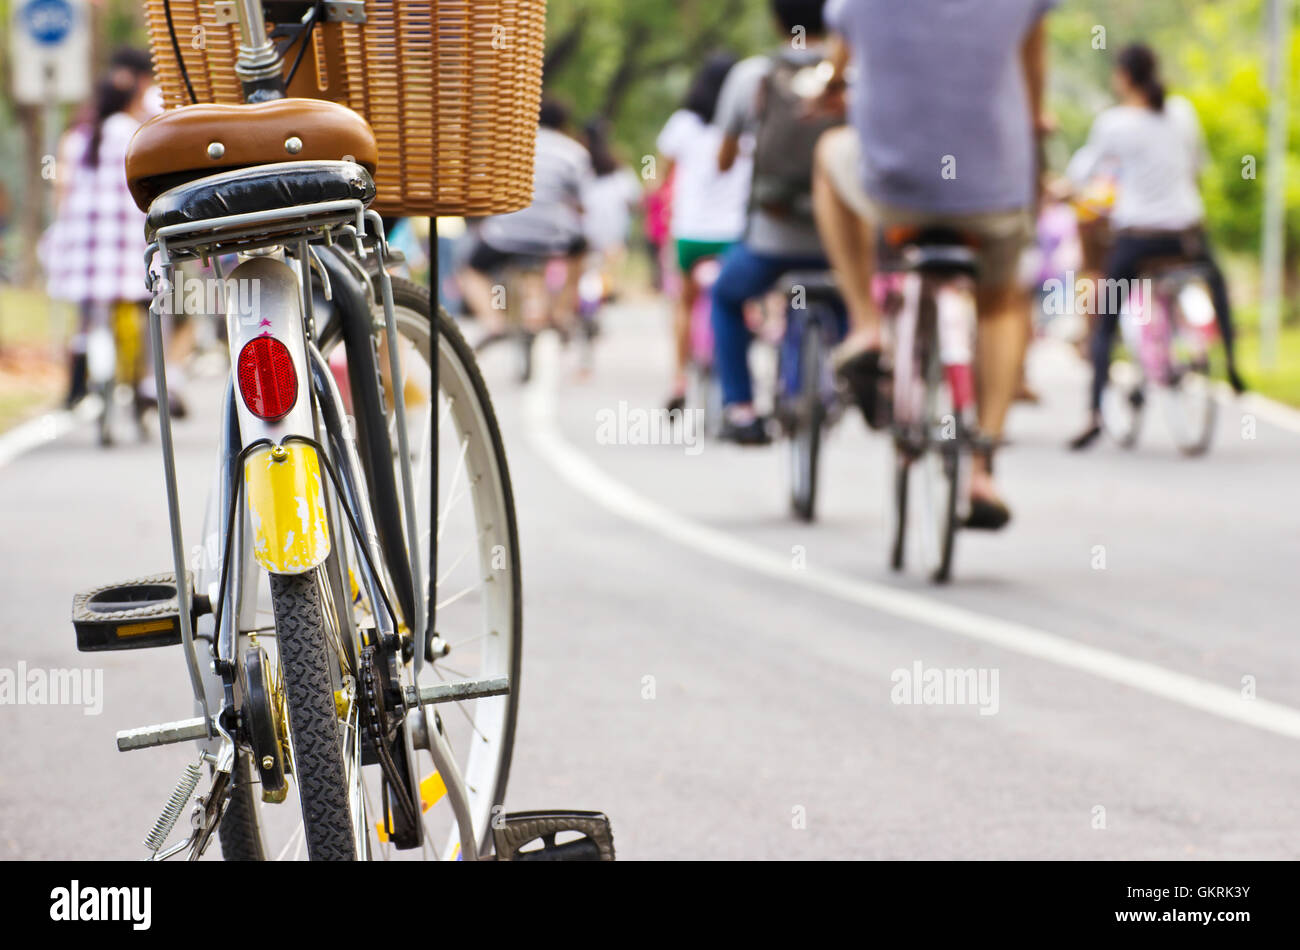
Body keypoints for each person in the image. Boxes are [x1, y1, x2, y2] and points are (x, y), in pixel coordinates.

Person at [812, 0, 1059, 529]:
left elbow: (839, 61)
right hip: (992, 188)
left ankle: (866, 323)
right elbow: (1032, 75)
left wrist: (828, 88)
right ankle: (982, 463)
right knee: (1001, 303)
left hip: (895, 186)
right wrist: (1033, 127)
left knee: (828, 154)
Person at [1065, 43, 1245, 451]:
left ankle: (1093, 411)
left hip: (1138, 239)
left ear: (1124, 77)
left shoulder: (1114, 123)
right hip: (1184, 235)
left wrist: (1065, 190)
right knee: (1216, 284)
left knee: (1104, 317)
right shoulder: (1182, 113)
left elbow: (1083, 174)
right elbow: (1197, 166)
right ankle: (1232, 364)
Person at [710, 0, 844, 445]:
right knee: (850, 301)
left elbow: (724, 161)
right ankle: (847, 376)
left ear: (775, 19)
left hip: (772, 240)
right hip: (839, 245)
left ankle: (743, 408)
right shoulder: (851, 76)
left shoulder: (753, 76)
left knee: (727, 298)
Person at [42, 48, 161, 410]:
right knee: (146, 310)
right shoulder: (137, 135)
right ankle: (143, 383)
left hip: (85, 250)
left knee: (88, 315)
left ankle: (77, 387)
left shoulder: (76, 138)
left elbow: (61, 191)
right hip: (127, 248)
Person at [656, 53, 752, 412]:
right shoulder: (748, 124)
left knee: (683, 302)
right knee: (739, 302)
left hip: (690, 233)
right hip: (734, 233)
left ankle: (678, 377)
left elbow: (661, 174)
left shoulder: (682, 124)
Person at [458, 99, 593, 336]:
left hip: (506, 234)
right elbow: (583, 205)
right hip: (553, 236)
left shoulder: (508, 145)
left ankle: (493, 321)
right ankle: (561, 312)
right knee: (580, 251)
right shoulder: (574, 152)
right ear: (564, 123)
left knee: (470, 271)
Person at [580, 118, 643, 299]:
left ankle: (592, 294)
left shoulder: (579, 164)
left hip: (586, 232)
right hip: (613, 233)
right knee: (609, 262)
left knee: (590, 267)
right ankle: (607, 289)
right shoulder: (619, 169)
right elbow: (634, 199)